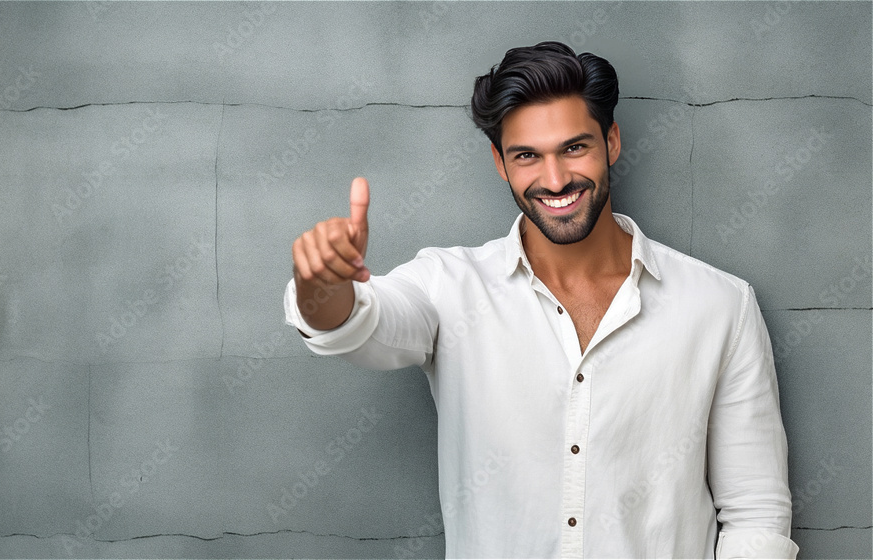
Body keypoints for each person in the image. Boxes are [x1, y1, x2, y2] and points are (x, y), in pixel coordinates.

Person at [283, 41, 797, 559]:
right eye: (527, 155)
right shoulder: (451, 286)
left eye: (574, 148)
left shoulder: (719, 305)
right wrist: (323, 284)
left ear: (611, 141)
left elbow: (755, 512)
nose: (555, 180)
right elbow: (363, 328)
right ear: (500, 163)